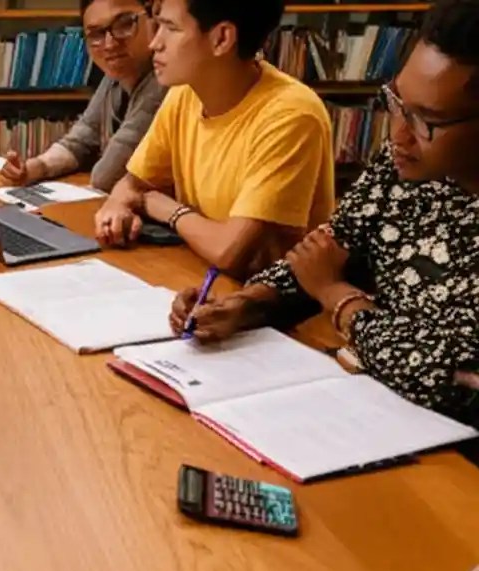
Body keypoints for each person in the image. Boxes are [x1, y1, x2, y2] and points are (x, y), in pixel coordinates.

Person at [169, 0, 479, 425]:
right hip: (369, 405)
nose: (399, 133)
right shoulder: (404, 164)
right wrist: (244, 305)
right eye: (397, 103)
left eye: (428, 120)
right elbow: (325, 253)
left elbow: (451, 381)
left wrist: (336, 295)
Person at [95, 0, 335, 280]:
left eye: (170, 28)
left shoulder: (292, 114)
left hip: (276, 303)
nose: (154, 44)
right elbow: (132, 184)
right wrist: (117, 206)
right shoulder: (185, 93)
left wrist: (168, 210)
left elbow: (230, 252)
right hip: (202, 278)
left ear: (221, 38)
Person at [0, 0, 165, 192]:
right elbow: (81, 139)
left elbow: (108, 177)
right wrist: (35, 168)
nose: (109, 44)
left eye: (125, 24)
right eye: (96, 34)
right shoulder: (115, 77)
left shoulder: (164, 81)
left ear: (155, 19)